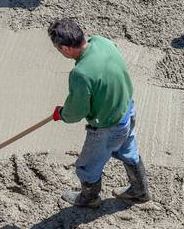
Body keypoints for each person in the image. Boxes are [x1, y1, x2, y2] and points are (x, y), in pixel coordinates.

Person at [48, 19, 150, 207]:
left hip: (107, 126)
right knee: (129, 151)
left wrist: (61, 113)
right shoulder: (101, 42)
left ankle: (90, 198)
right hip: (126, 110)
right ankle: (140, 190)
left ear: (65, 48)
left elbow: (76, 112)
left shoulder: (80, 74)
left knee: (86, 167)